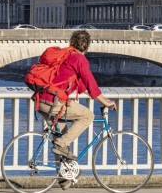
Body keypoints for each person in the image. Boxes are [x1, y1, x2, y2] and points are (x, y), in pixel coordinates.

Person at [35, 29, 117, 161]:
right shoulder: (79, 59)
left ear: (72, 42)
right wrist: (105, 102)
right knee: (88, 116)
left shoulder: (66, 55)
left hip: (42, 100)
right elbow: (91, 83)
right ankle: (61, 144)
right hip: (54, 102)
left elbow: (83, 86)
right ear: (87, 45)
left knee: (61, 137)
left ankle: (64, 179)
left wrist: (99, 98)